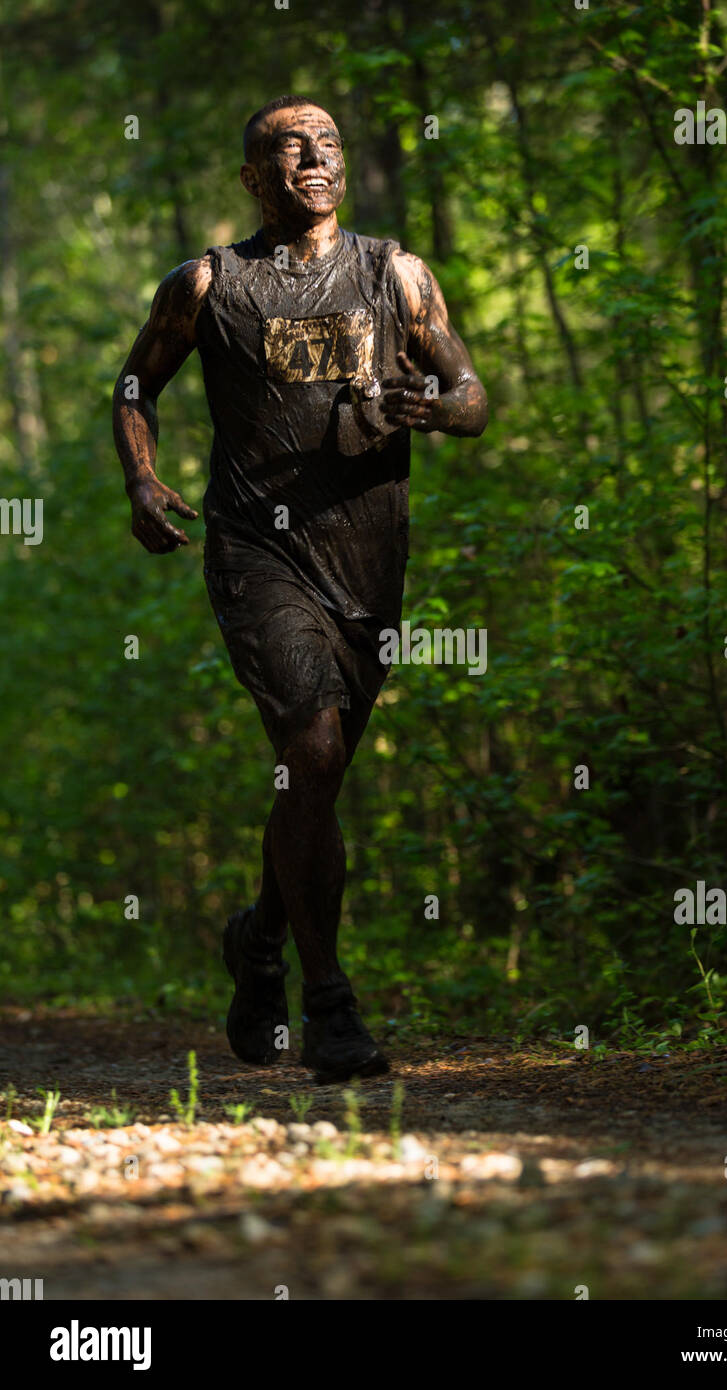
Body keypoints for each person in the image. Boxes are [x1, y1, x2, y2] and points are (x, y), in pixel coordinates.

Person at [113, 96, 487, 1084]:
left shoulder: (396, 273)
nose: (313, 158)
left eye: (326, 143)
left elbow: (473, 395)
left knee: (314, 776)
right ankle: (330, 1008)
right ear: (254, 178)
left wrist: (432, 407)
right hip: (256, 552)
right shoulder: (207, 283)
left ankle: (260, 939)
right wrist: (141, 480)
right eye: (290, 148)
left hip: (367, 561)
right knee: (312, 746)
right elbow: (134, 385)